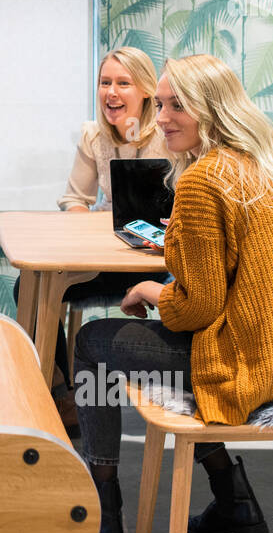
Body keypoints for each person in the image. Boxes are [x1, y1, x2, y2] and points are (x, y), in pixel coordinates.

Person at [73, 54, 273, 533]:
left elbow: (197, 308)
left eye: (179, 106)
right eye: (162, 104)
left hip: (250, 364)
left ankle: (106, 508)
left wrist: (152, 292)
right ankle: (231, 495)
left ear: (212, 109)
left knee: (93, 344)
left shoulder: (202, 179)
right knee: (167, 356)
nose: (164, 117)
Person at [15, 47, 169, 426]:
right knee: (29, 286)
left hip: (158, 260)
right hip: (110, 254)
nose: (110, 92)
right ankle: (61, 395)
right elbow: (75, 198)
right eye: (104, 83)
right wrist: (87, 228)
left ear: (147, 91)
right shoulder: (94, 137)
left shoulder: (168, 136)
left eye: (122, 83)